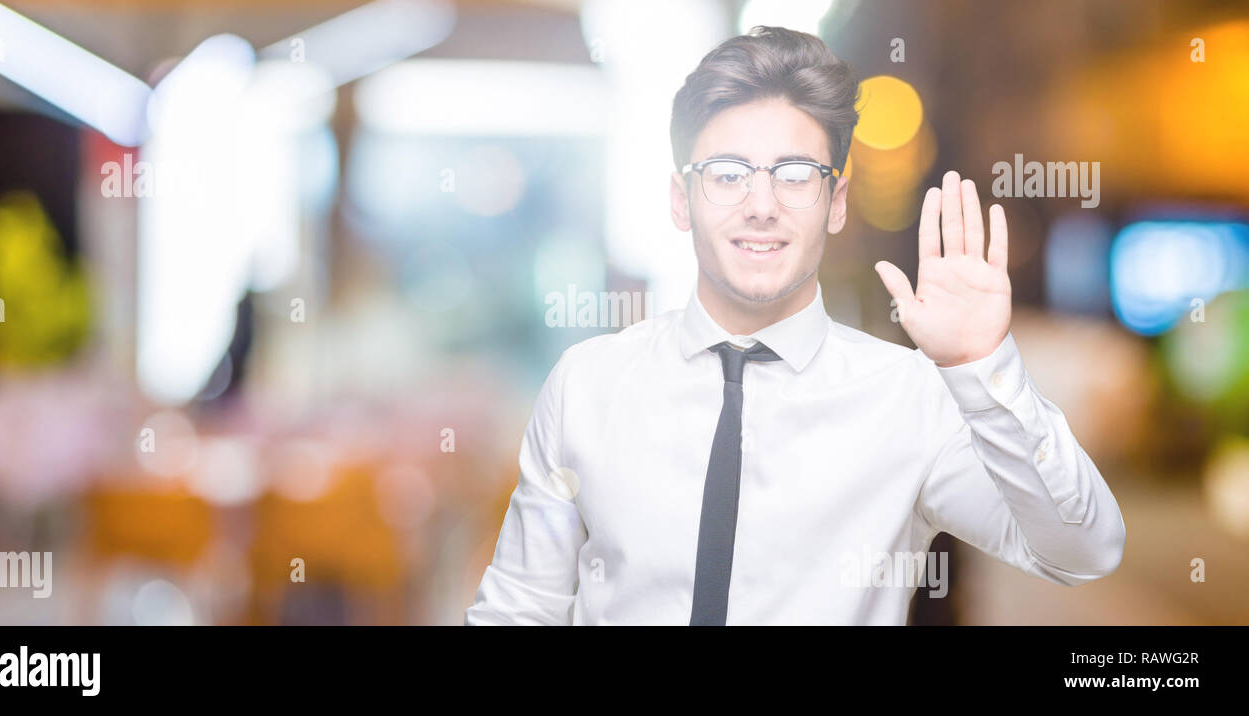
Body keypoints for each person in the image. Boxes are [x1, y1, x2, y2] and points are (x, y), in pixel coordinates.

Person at [466, 25, 1125, 625]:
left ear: (836, 202)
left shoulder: (911, 398)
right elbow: (521, 608)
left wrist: (983, 366)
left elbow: (1083, 550)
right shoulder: (588, 384)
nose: (761, 206)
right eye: (726, 175)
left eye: (795, 175)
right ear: (680, 198)